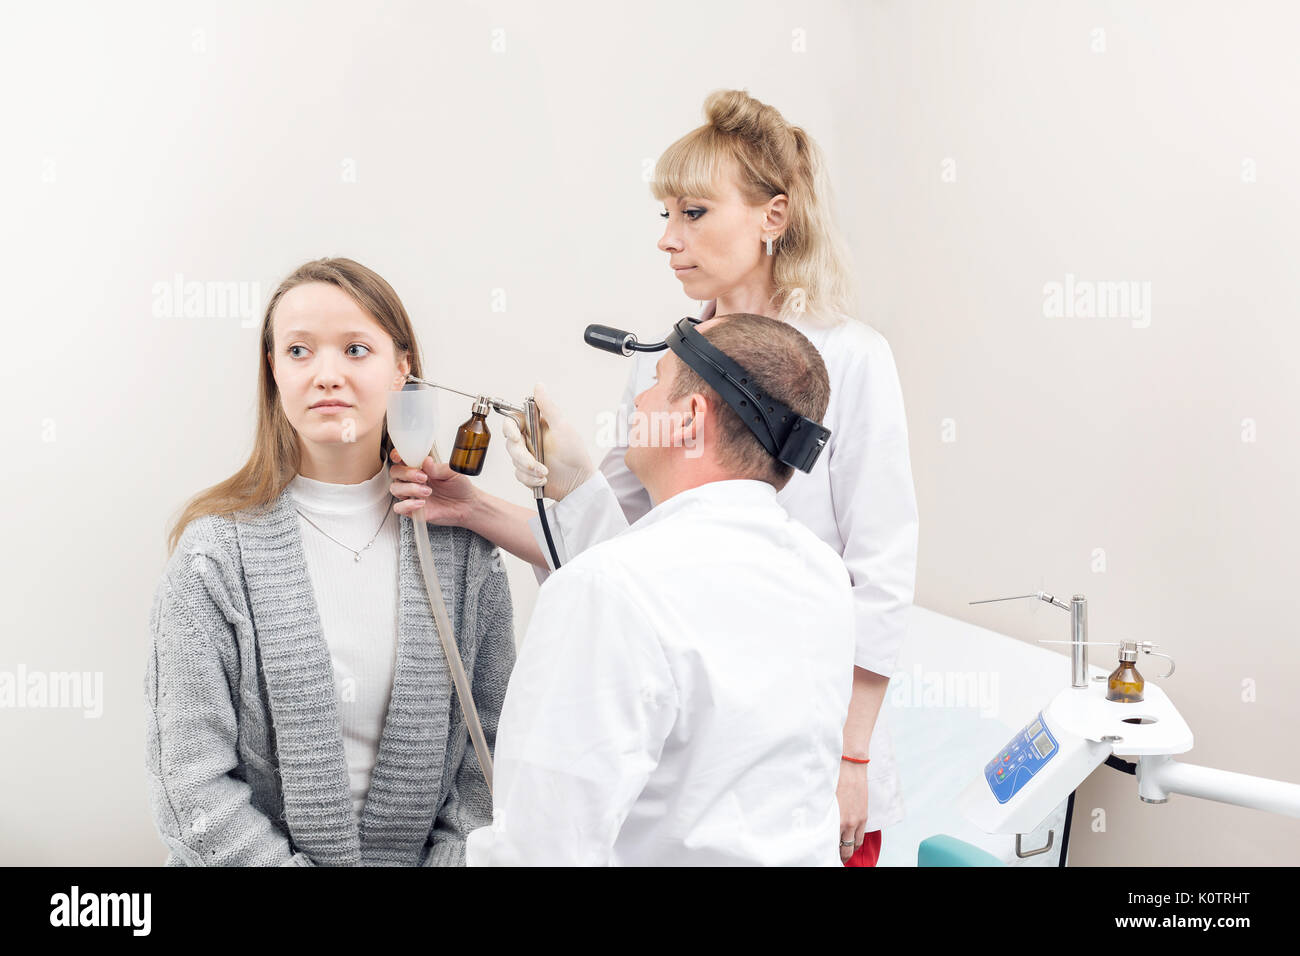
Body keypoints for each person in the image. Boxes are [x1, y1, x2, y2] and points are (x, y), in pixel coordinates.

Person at [390, 90, 919, 865]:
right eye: (664, 215)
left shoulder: (847, 358)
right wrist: (475, 507)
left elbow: (879, 572)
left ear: (774, 217)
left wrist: (852, 756)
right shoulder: (662, 362)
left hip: (803, 736)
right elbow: (608, 544)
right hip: (686, 735)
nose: (669, 240)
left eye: (694, 213)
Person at [147, 257, 515, 866]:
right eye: (298, 351)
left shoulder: (464, 550)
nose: (326, 375)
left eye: (355, 349)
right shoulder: (214, 554)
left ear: (403, 370)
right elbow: (191, 787)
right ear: (273, 370)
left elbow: (492, 760)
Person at [464, 313, 853, 865]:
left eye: (655, 382)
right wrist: (577, 490)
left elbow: (542, 846)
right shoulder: (821, 575)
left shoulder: (610, 590)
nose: (639, 405)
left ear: (691, 416)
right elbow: (675, 603)